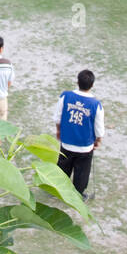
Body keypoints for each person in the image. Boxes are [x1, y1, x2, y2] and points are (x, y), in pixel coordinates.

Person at [54, 70, 103, 199]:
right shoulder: (96, 105)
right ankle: (77, 194)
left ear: (77, 82)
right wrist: (98, 141)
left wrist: (58, 131)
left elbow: (57, 117)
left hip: (67, 142)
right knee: (82, 173)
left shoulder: (65, 96)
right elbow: (99, 128)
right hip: (85, 146)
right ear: (92, 85)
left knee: (63, 167)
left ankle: (58, 190)